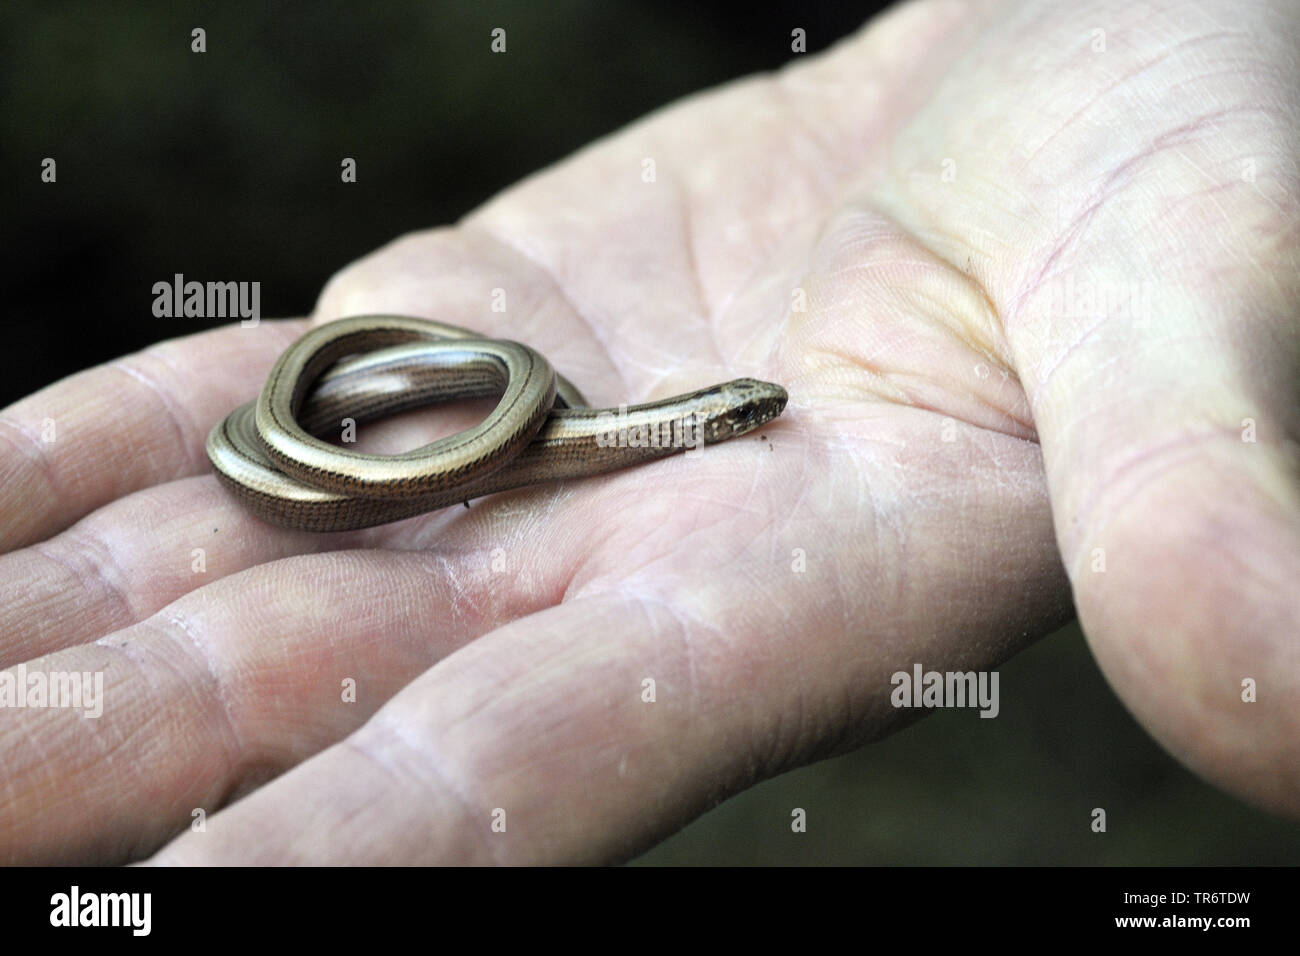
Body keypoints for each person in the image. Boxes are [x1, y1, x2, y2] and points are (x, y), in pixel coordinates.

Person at [1, 0, 1295, 863]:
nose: (754, 417)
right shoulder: (514, 409)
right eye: (740, 412)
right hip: (352, 428)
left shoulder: (581, 415)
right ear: (711, 421)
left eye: (743, 413)